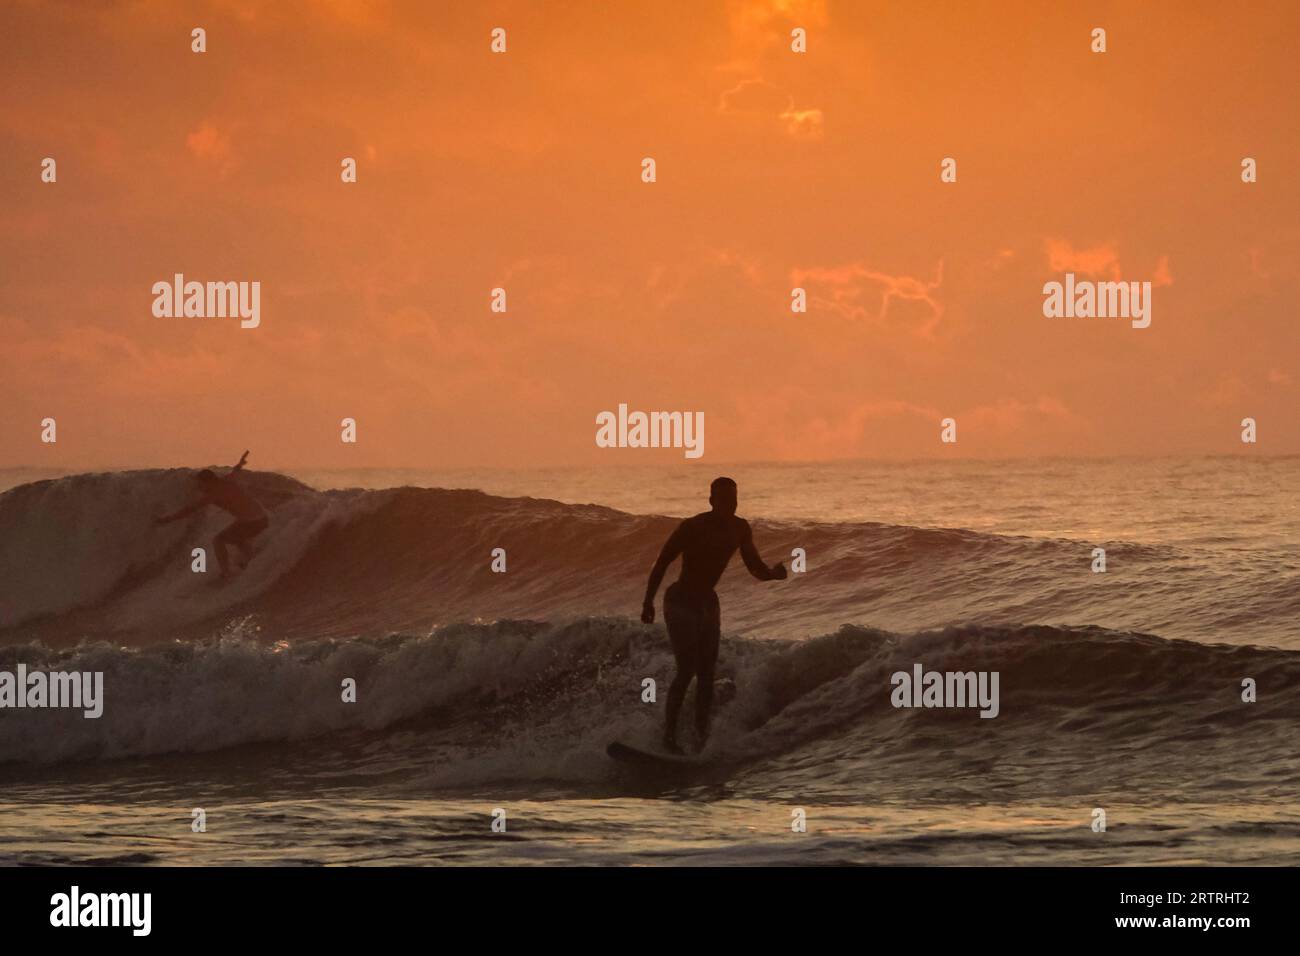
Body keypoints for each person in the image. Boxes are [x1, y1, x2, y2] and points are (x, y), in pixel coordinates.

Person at [641, 477, 787, 753]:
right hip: (680, 600)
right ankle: (668, 738)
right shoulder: (692, 527)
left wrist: (773, 575)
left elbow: (754, 566)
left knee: (707, 673)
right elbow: (662, 562)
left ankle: (699, 738)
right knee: (687, 670)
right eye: (723, 501)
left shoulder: (740, 528)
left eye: (733, 501)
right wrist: (648, 602)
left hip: (708, 602)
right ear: (711, 501)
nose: (728, 506)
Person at [155, 450, 268, 578]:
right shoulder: (227, 480)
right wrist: (240, 463)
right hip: (262, 519)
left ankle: (226, 572)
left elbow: (190, 509)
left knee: (218, 540)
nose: (199, 486)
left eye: (200, 483)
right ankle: (248, 561)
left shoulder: (213, 494)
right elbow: (235, 471)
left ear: (208, 481)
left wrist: (168, 519)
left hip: (251, 522)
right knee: (237, 536)